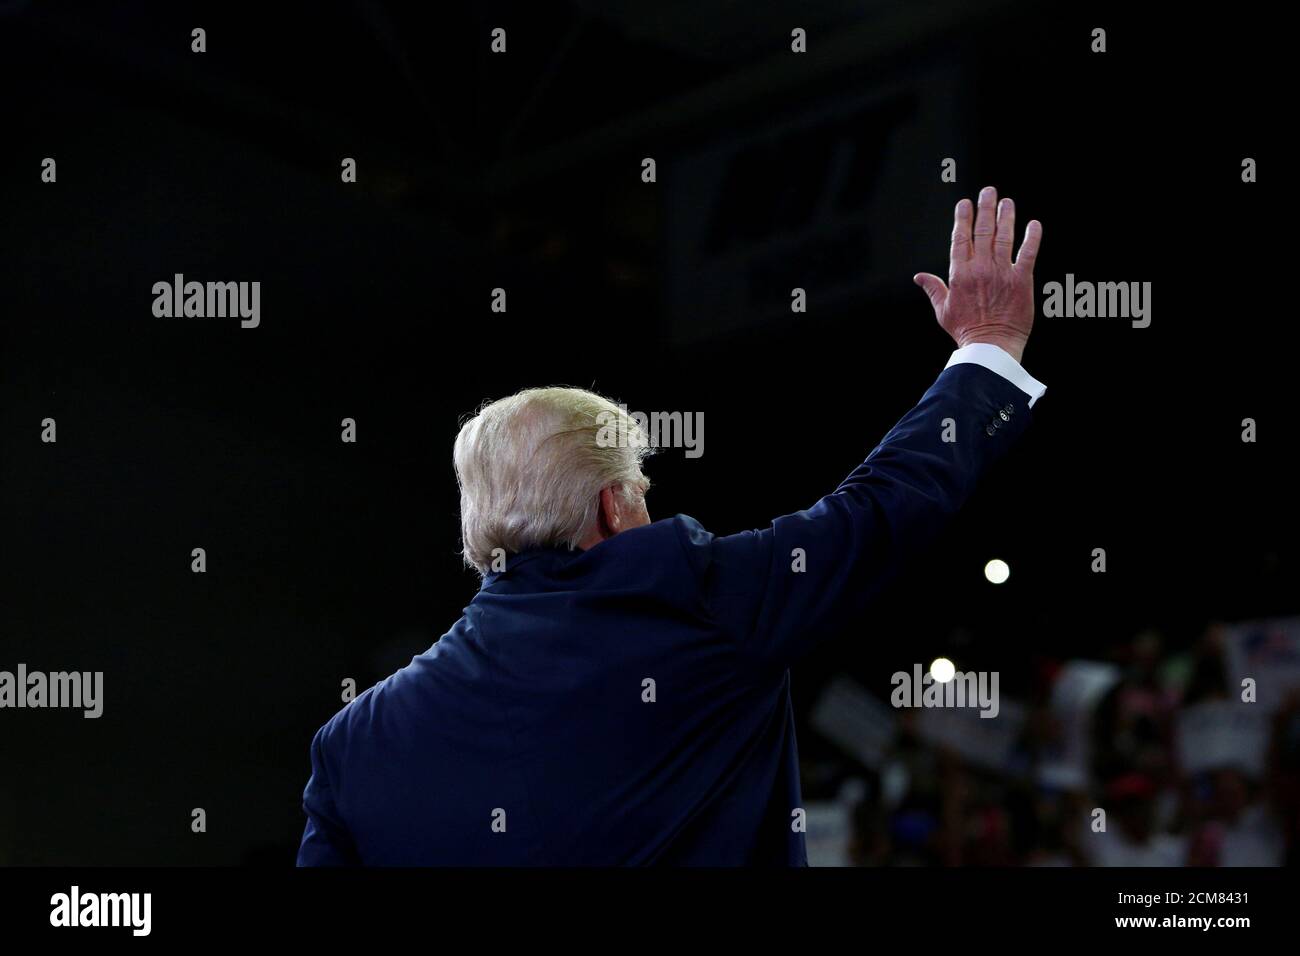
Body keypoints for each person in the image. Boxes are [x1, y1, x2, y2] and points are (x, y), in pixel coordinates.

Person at [297, 186, 1047, 865]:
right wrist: (988, 347)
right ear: (613, 505)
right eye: (641, 491)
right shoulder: (696, 598)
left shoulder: (354, 743)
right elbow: (881, 507)